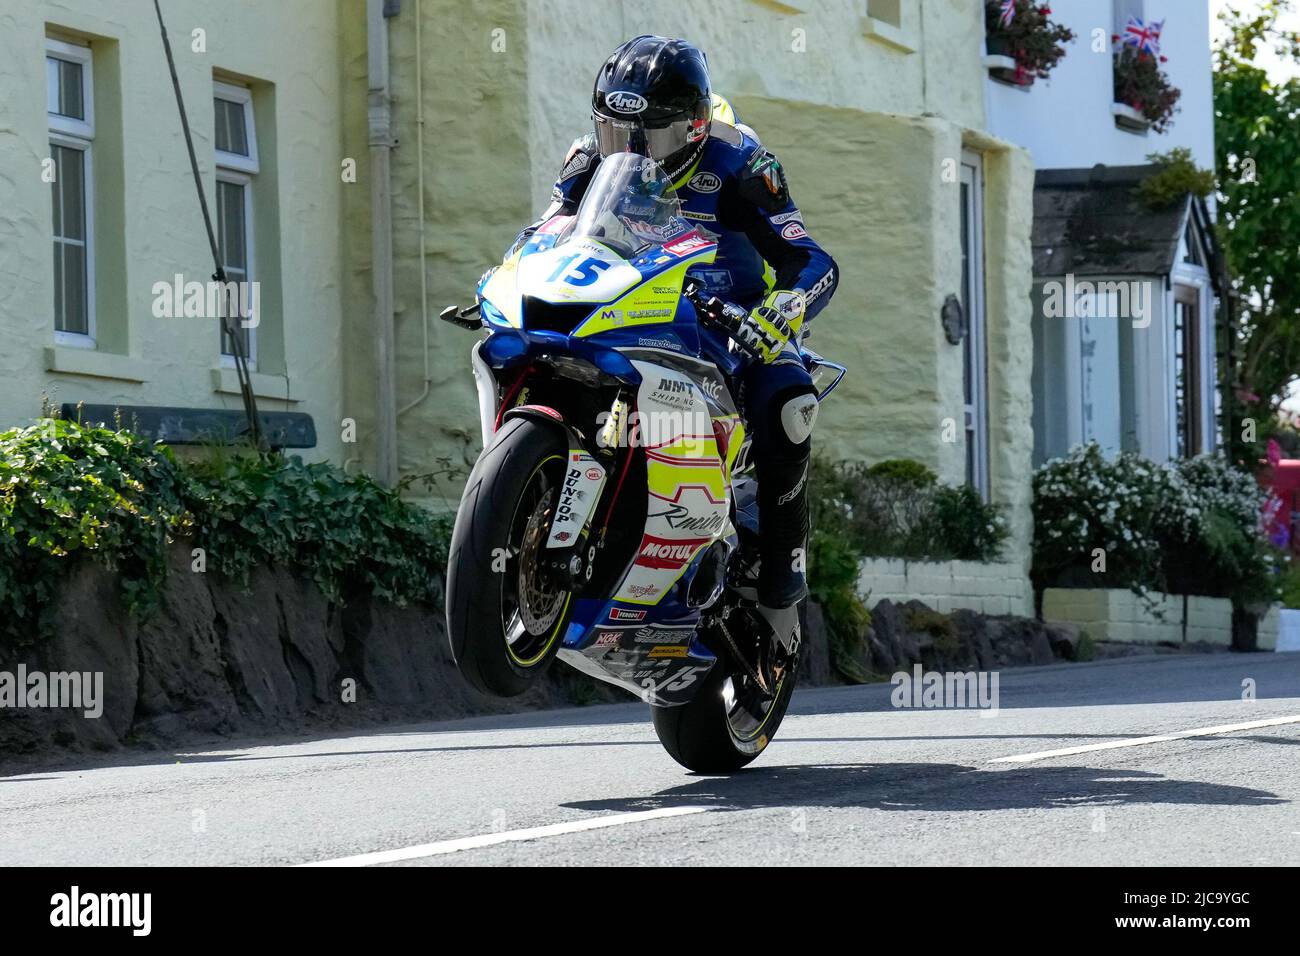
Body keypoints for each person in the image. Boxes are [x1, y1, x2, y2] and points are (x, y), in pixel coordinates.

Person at [508, 35, 838, 630]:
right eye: (616, 132)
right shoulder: (586, 158)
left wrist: (784, 305)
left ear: (693, 126)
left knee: (788, 402)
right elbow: (549, 229)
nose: (631, 149)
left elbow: (810, 258)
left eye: (649, 136)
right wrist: (510, 273)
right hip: (627, 305)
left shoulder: (740, 163)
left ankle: (782, 569)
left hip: (727, 319)